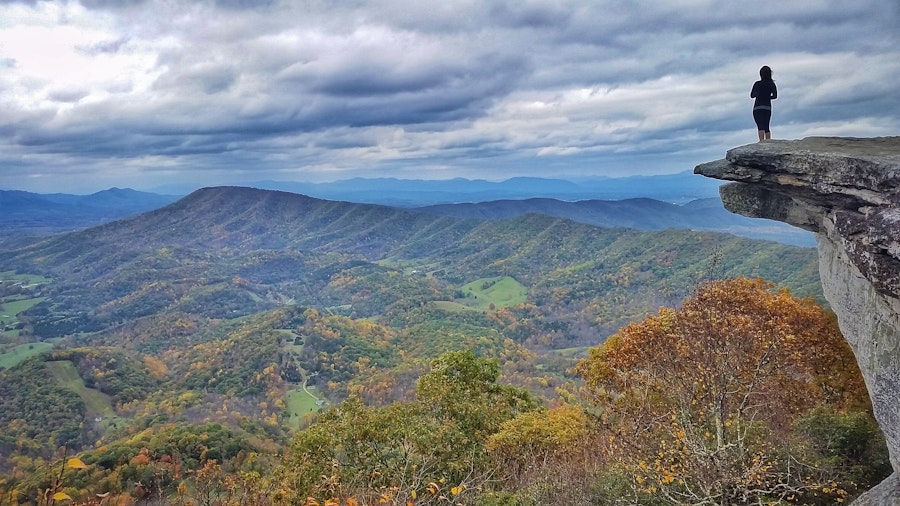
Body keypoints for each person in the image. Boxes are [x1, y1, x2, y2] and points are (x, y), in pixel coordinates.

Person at [750, 65, 777, 141]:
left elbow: (752, 95)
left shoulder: (757, 84)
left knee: (760, 126)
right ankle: (768, 142)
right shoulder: (772, 84)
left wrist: (758, 94)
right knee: (766, 126)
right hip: (767, 107)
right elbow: (775, 96)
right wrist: (768, 97)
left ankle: (761, 141)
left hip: (757, 107)